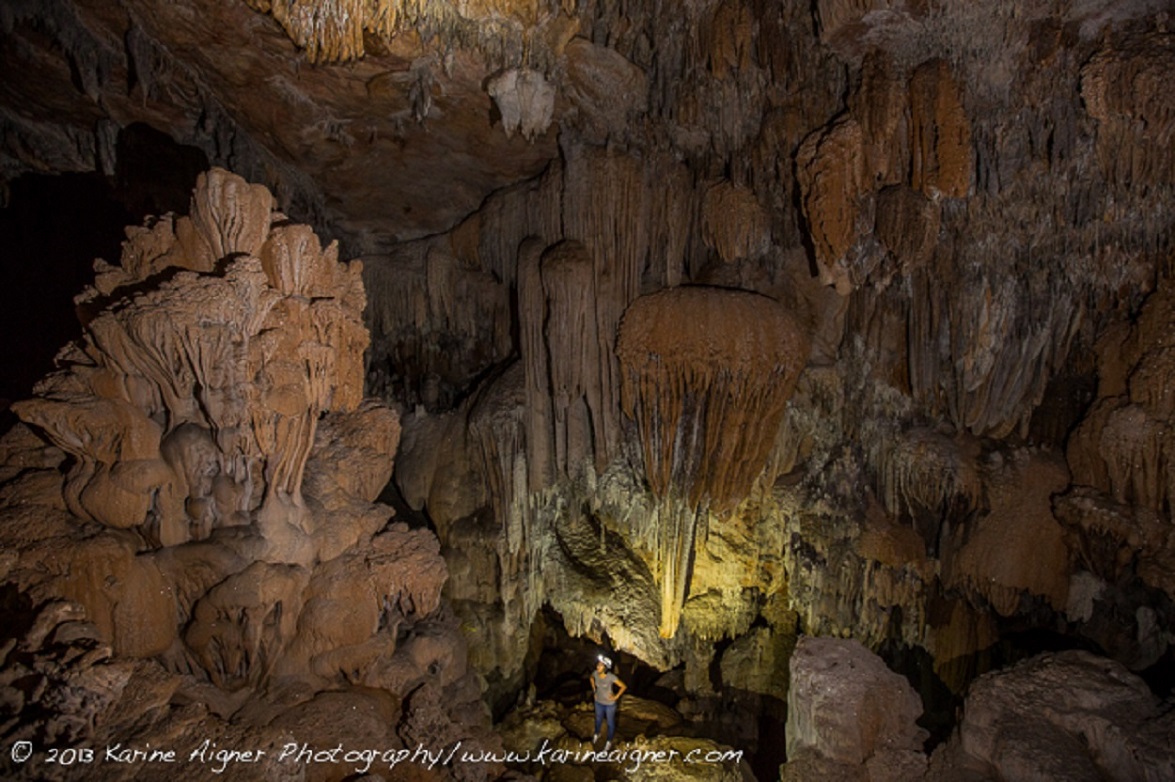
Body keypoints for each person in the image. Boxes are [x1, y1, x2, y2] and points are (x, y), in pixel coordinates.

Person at [589, 654, 626, 751]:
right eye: (598, 664)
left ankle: (609, 741)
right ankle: (597, 733)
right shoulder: (595, 673)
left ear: (605, 668)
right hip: (598, 702)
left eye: (600, 665)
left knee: (610, 722)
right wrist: (594, 691)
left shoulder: (611, 677)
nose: (598, 666)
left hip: (610, 704)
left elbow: (623, 686)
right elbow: (591, 678)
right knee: (598, 719)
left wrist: (616, 697)